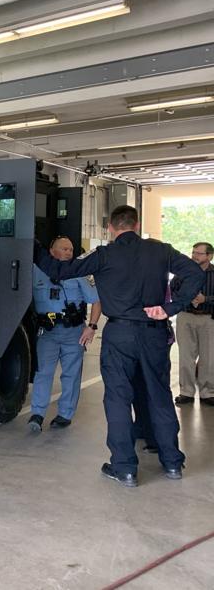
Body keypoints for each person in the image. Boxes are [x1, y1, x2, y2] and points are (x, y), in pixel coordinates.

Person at [34, 205, 204, 487]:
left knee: (117, 398)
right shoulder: (161, 250)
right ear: (136, 225)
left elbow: (58, 270)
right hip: (154, 333)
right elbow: (195, 274)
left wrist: (34, 244)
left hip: (119, 334)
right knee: (159, 395)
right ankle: (172, 462)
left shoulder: (104, 255)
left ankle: (124, 467)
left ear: (110, 228)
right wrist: (170, 307)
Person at [29, 236, 102, 432]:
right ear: (52, 251)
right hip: (48, 332)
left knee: (71, 374)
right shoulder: (35, 271)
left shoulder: (79, 272)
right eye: (64, 249)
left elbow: (96, 300)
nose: (69, 253)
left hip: (74, 332)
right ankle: (37, 413)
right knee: (42, 373)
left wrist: (92, 326)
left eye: (71, 250)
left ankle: (65, 414)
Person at [172, 242, 214, 406]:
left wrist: (206, 299)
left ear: (209, 256)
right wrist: (186, 297)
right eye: (193, 252)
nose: (194, 256)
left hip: (208, 318)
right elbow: (173, 288)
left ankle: (208, 393)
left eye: (199, 253)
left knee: (209, 357)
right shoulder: (184, 271)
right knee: (186, 356)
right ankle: (186, 392)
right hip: (186, 316)